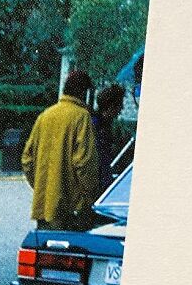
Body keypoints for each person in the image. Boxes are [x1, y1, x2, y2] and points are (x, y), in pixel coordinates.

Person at [21, 69, 99, 231]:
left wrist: (43, 186)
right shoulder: (81, 116)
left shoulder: (45, 116)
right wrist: (89, 196)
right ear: (84, 93)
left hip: (44, 207)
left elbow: (27, 160)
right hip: (71, 209)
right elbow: (84, 163)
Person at [92, 83, 125, 195]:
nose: (122, 109)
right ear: (111, 106)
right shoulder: (96, 126)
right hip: (97, 183)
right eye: (120, 105)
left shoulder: (105, 125)